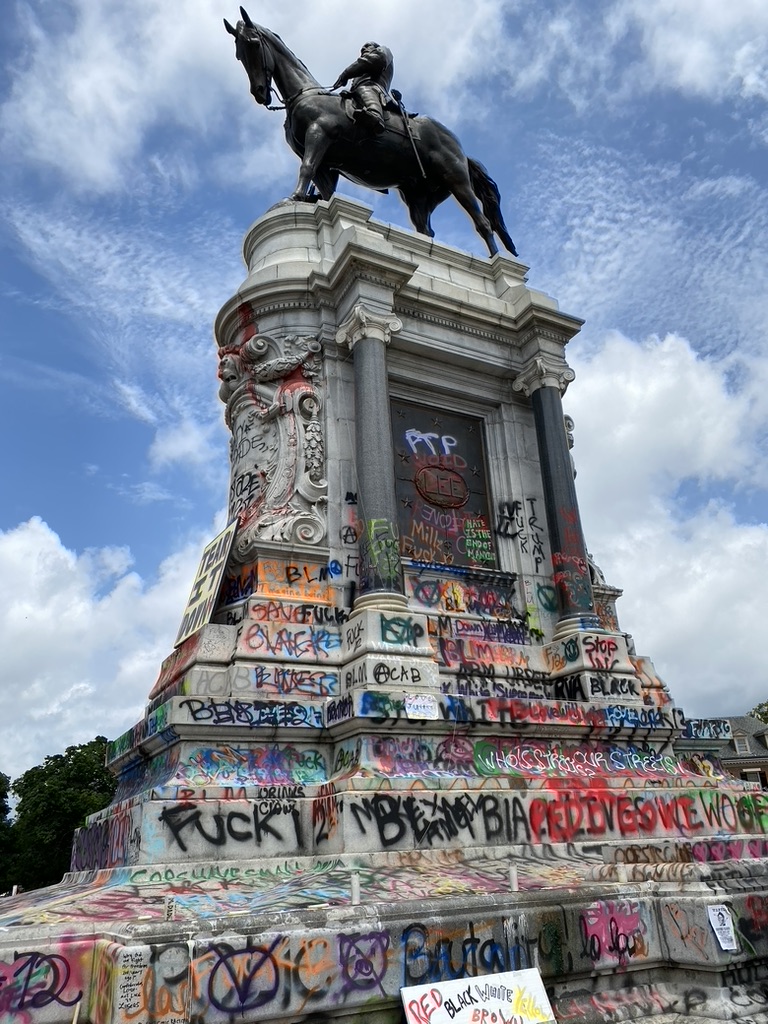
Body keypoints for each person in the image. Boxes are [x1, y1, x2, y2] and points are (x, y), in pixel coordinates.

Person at [332, 42, 394, 134]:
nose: (363, 49)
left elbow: (377, 60)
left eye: (367, 46)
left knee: (365, 89)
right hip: (357, 92)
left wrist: (346, 73)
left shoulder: (384, 50)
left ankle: (375, 114)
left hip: (374, 87)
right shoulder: (360, 74)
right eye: (362, 49)